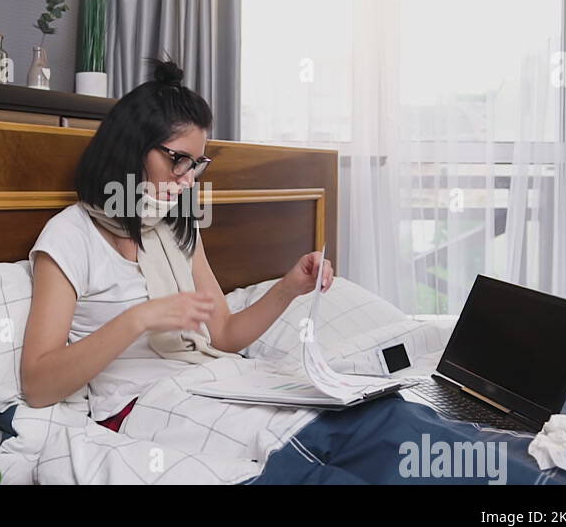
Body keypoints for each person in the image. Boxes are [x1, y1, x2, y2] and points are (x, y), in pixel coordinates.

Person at [21, 58, 334, 432]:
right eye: (177, 159)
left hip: (205, 383)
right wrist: (139, 319)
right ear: (131, 147)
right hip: (139, 403)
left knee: (357, 423)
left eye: (196, 163)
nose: (187, 179)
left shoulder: (177, 223)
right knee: (311, 441)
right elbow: (37, 385)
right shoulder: (70, 236)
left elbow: (223, 335)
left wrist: (289, 287)